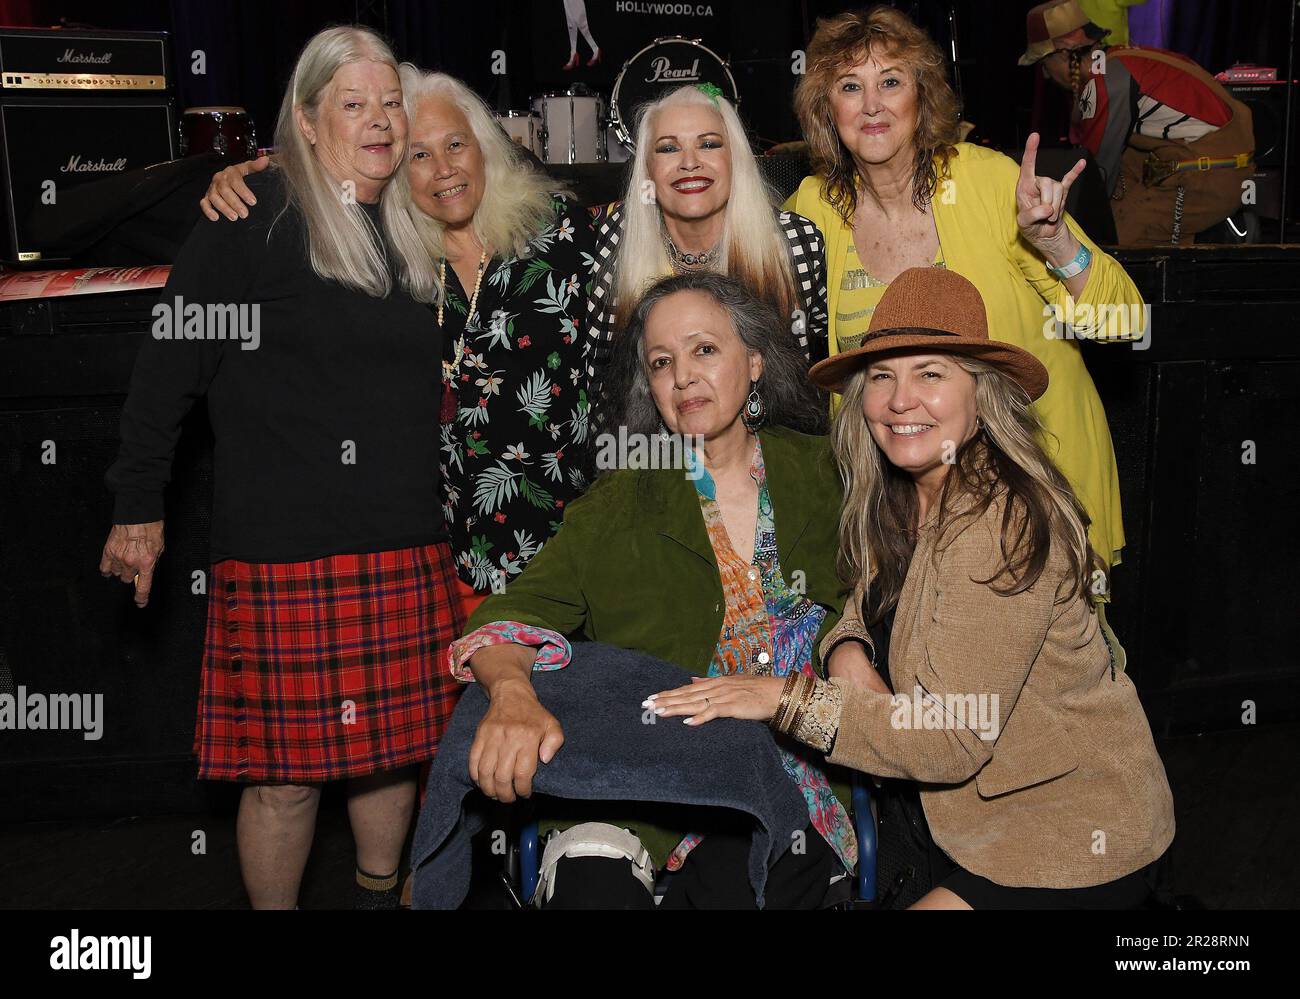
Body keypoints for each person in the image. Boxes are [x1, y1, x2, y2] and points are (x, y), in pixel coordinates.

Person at [651, 267, 1176, 909]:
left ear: (980, 394)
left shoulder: (999, 522)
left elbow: (948, 741)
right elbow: (860, 606)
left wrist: (782, 698)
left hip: (1062, 838)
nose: (900, 401)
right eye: (881, 376)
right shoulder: (899, 494)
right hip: (953, 827)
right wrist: (848, 650)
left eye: (930, 373)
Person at [100, 27, 463, 910]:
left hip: (410, 539)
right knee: (283, 780)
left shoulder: (421, 214)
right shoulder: (250, 213)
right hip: (281, 551)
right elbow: (166, 368)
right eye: (353, 104)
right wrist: (137, 504)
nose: (379, 121)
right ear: (305, 119)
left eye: (390, 103)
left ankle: (379, 897)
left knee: (390, 756)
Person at [451, 272, 862, 909]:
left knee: (741, 880)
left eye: (704, 350)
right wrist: (510, 693)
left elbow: (896, 593)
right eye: (662, 362)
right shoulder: (622, 498)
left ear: (753, 361)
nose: (683, 378)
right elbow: (509, 616)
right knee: (591, 890)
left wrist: (848, 654)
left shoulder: (827, 471)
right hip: (641, 772)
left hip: (783, 774)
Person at [199, 69, 595, 618]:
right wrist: (255, 173)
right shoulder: (387, 266)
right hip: (442, 560)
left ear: (484, 144)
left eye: (456, 144)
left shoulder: (560, 232)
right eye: (417, 155)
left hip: (571, 547)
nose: (445, 169)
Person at [788, 3, 1144, 579]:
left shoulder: (986, 181)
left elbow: (1123, 320)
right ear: (828, 109)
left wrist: (1054, 243)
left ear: (921, 97)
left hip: (1038, 495)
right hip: (903, 517)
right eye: (850, 86)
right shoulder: (814, 207)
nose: (872, 104)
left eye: (891, 82)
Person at [584, 84, 830, 430]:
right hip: (654, 458)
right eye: (668, 148)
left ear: (736, 158)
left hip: (777, 449)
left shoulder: (793, 241)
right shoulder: (616, 240)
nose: (689, 163)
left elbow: (825, 363)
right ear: (647, 171)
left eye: (709, 144)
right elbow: (599, 382)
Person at [1025, 0, 1255, 246]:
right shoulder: (1122, 61)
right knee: (1122, 177)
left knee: (1109, 247)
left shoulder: (1105, 83)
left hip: (1211, 176)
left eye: (1043, 64)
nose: (1046, 75)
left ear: (1062, 53)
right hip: (1219, 163)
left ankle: (1218, 231)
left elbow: (1095, 172)